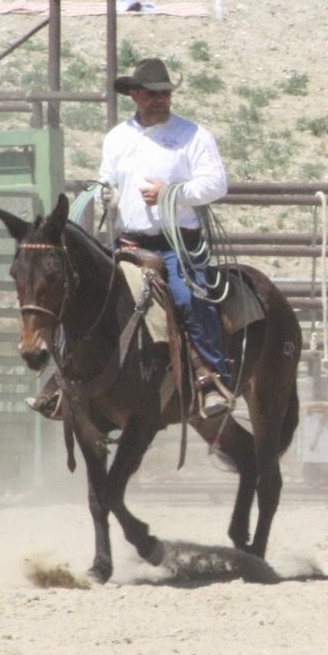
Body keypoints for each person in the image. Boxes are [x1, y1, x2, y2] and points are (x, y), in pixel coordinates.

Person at [101, 58, 232, 418]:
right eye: (152, 94)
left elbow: (215, 185)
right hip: (128, 242)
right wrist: (104, 193)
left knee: (189, 298)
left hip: (177, 245)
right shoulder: (117, 138)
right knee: (88, 294)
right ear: (134, 95)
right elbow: (107, 179)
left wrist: (170, 193)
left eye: (165, 93)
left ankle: (212, 378)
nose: (160, 100)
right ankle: (68, 379)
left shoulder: (194, 135)